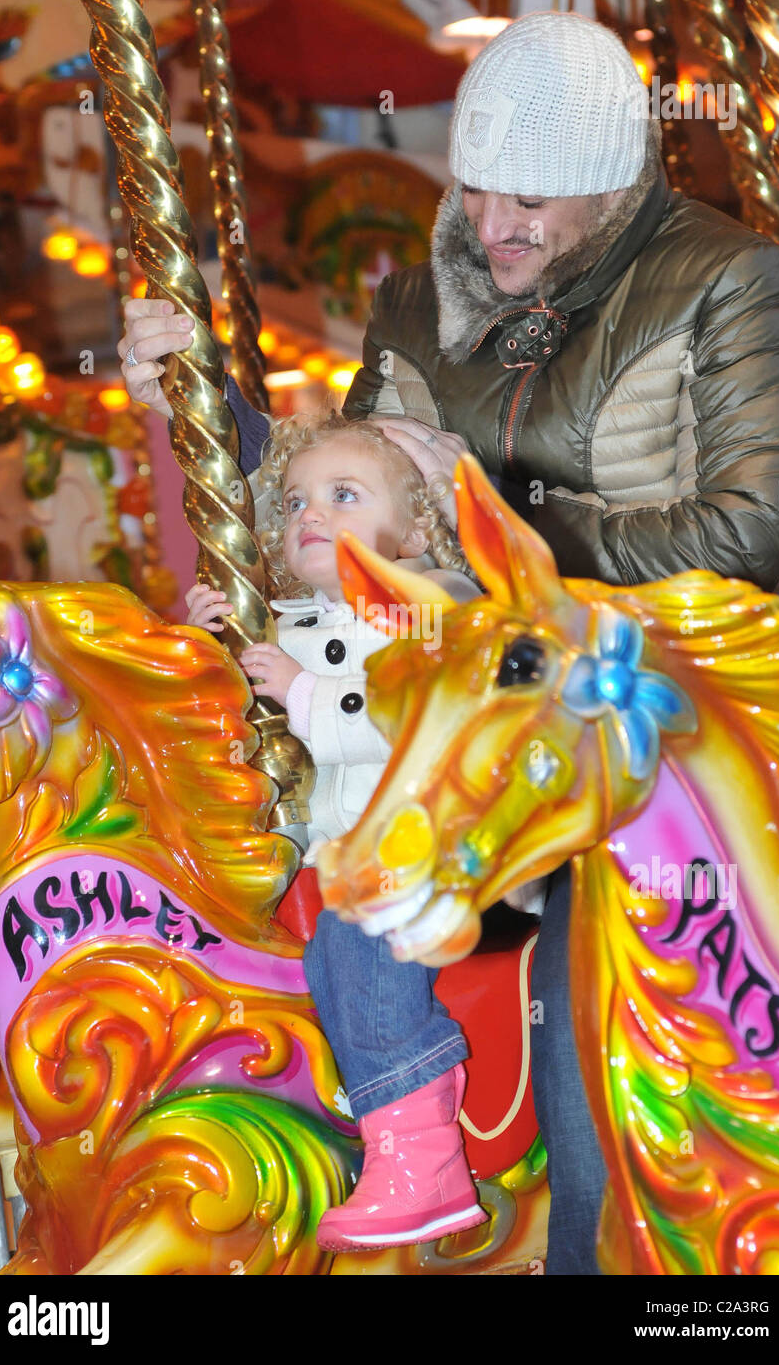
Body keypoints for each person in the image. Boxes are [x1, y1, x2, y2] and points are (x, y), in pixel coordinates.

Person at [119, 11, 779, 1272]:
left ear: (614, 185)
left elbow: (757, 527)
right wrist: (202, 405)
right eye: (480, 185)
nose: (496, 222)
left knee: (590, 1044)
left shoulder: (725, 280)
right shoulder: (417, 300)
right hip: (470, 711)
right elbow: (342, 496)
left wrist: (504, 509)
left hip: (647, 731)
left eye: (534, 198)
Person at [183, 410, 487, 1252]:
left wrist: (302, 692)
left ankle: (422, 1157)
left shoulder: (433, 608)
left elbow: (409, 715)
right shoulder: (290, 623)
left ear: (416, 525)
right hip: (329, 850)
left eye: (342, 495)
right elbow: (235, 729)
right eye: (291, 502)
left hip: (427, 847)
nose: (307, 513)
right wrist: (215, 644)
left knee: (359, 940)